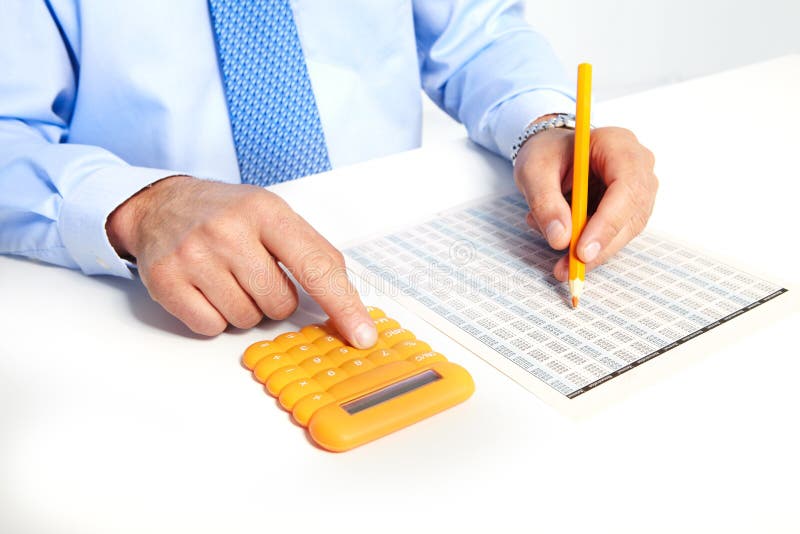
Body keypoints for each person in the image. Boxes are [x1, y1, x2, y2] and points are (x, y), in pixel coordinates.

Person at [0, 1, 657, 349]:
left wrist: (544, 126)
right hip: (150, 319)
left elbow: (477, 34)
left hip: (401, 270)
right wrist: (137, 208)